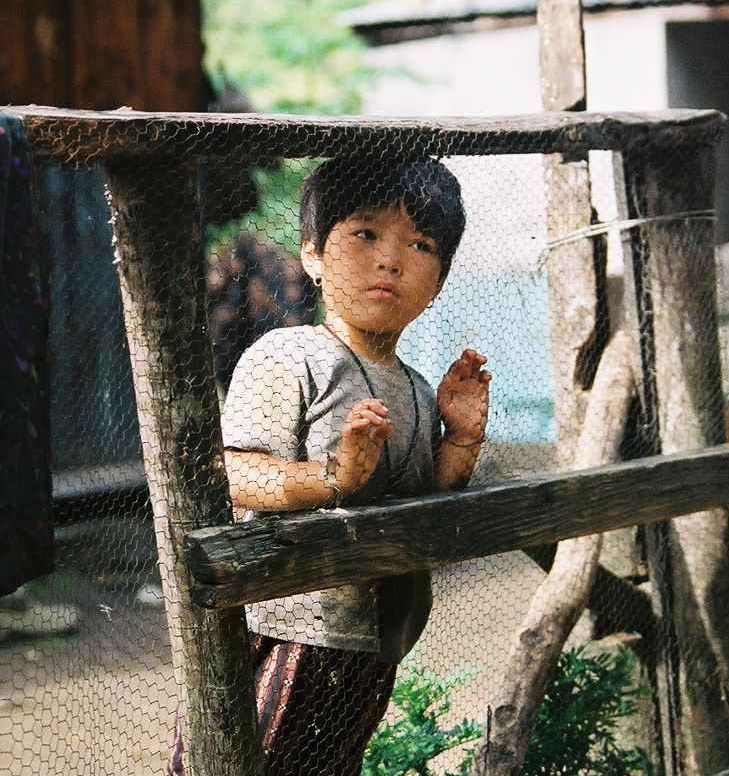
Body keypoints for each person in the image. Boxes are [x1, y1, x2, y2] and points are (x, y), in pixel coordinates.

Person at [173, 154, 491, 776]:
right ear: (314, 255)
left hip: (373, 640)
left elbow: (432, 495)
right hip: (285, 631)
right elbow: (234, 472)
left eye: (420, 244)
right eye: (365, 233)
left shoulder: (418, 386)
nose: (390, 260)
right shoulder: (289, 356)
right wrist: (333, 478)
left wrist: (460, 437)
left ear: (440, 279)